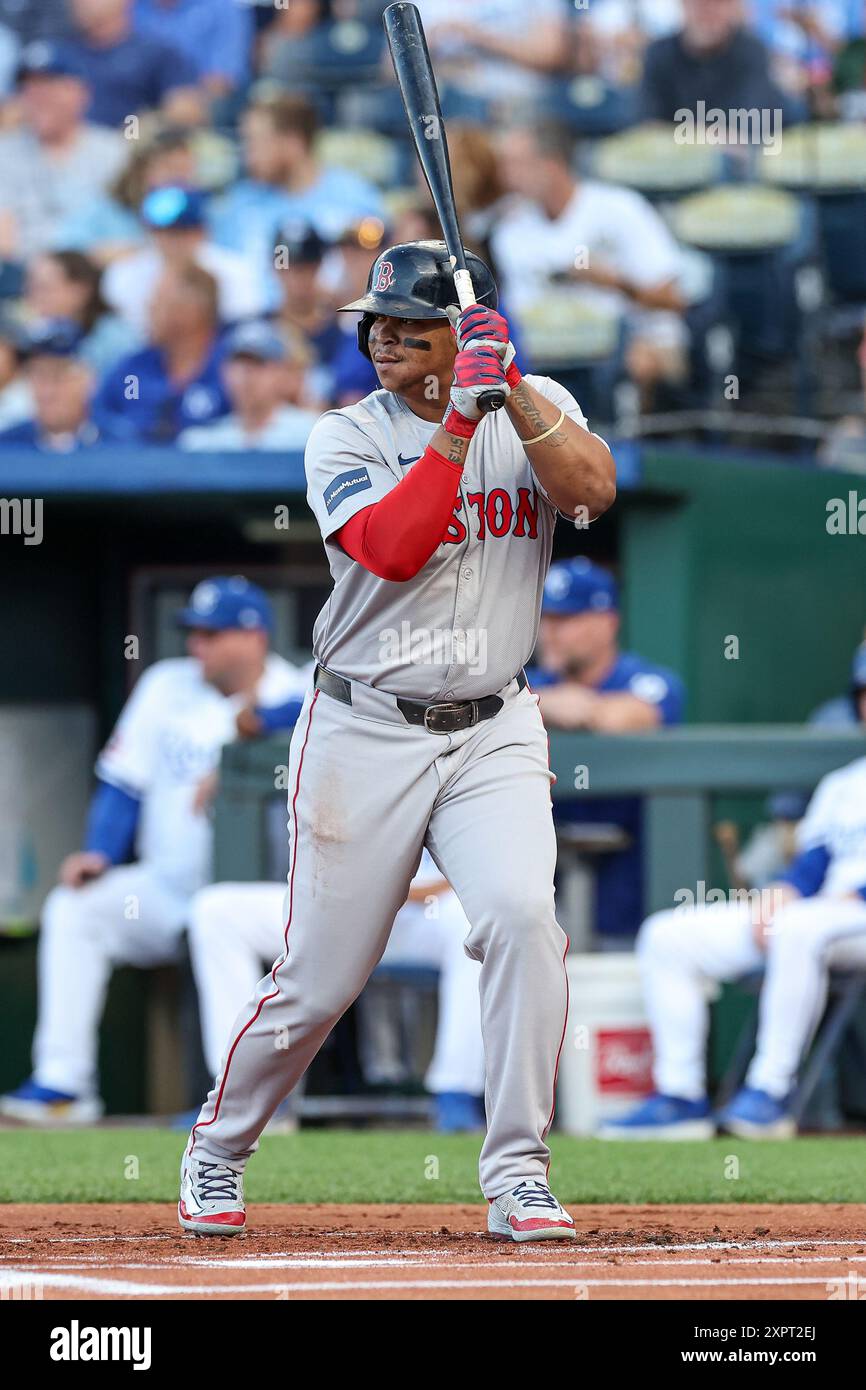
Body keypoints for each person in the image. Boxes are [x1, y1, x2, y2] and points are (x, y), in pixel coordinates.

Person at [178, 237, 615, 1242]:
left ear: (457, 330)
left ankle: (516, 1174)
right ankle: (218, 1146)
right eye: (376, 324)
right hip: (364, 723)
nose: (382, 341)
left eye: (409, 326)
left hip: (492, 725)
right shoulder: (342, 435)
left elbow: (589, 490)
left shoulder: (528, 398)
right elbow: (391, 546)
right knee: (321, 979)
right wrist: (459, 418)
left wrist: (514, 393)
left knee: (519, 922)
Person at [0, 578, 309, 1126]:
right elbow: (123, 782)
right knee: (75, 908)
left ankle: (241, 1103)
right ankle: (63, 1085)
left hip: (263, 895)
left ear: (254, 637)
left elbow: (333, 703)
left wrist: (252, 732)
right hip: (167, 891)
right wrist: (99, 852)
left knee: (223, 918)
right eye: (193, 633)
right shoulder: (166, 685)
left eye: (212, 635)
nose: (197, 646)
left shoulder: (297, 687)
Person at [600, 753, 866, 1140]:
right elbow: (816, 860)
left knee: (797, 926)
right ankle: (680, 1096)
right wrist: (784, 891)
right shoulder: (844, 783)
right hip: (824, 915)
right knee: (668, 936)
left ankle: (770, 1092)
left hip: (842, 916)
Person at [188, 849, 486, 1133]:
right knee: (216, 910)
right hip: (332, 906)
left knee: (475, 921)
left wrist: (395, 889)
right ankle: (240, 1096)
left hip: (421, 916)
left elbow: (488, 872)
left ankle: (456, 1093)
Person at [528, 558, 685, 944]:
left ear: (607, 622)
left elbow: (635, 714)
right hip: (544, 889)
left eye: (565, 619)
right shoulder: (530, 684)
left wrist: (584, 707)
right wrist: (546, 700)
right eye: (545, 618)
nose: (550, 632)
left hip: (632, 891)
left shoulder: (644, 678)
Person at [491, 120, 689, 403]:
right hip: (550, 349)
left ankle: (632, 443)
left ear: (551, 164)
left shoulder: (619, 207)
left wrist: (615, 282)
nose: (505, 176)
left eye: (515, 164)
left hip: (632, 339)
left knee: (640, 360)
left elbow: (674, 299)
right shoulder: (509, 228)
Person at [209, 93, 386, 261]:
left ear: (293, 142)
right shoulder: (238, 205)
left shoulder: (353, 198)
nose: (248, 156)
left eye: (255, 142)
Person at [0, 41, 126, 263]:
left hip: (99, 282)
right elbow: (4, 243)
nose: (38, 97)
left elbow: (127, 242)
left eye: (50, 86)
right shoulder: (4, 152)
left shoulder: (114, 152)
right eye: (29, 88)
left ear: (81, 92)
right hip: (22, 280)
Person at [101, 185, 266, 336]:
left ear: (201, 232)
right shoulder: (125, 274)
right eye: (159, 231)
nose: (168, 240)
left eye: (179, 232)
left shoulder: (236, 272)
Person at [93, 262, 229, 443]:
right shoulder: (132, 375)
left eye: (158, 303)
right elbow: (104, 422)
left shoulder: (234, 369)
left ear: (192, 311)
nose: (149, 311)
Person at [54, 123, 198, 265]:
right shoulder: (107, 209)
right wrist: (101, 254)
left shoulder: (202, 214)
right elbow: (64, 247)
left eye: (185, 170)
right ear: (141, 170)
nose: (178, 179)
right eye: (170, 168)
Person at [639, 0, 788, 126]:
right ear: (684, 5)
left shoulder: (752, 52)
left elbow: (751, 123)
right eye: (701, 4)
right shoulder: (658, 54)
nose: (709, 13)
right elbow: (647, 123)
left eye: (718, 3)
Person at [179, 320, 320, 452]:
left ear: (281, 372)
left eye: (258, 363)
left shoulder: (310, 435)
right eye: (238, 363)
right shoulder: (204, 443)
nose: (246, 374)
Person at [414, 0, 570, 115]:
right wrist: (424, 47)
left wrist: (477, 37)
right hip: (449, 110)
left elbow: (551, 55)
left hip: (519, 106)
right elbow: (393, 70)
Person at [66, 0, 200, 129]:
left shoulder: (156, 53)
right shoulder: (61, 53)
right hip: (71, 147)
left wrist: (148, 125)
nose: (81, 2)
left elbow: (187, 110)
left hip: (129, 143)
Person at [23, 250, 140, 374]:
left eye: (44, 288)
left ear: (81, 290)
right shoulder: (42, 333)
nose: (33, 296)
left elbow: (132, 388)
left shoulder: (117, 340)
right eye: (30, 287)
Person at [0, 324, 111, 452]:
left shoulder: (118, 444)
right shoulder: (8, 446)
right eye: (38, 374)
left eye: (59, 375)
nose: (48, 390)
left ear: (89, 381)